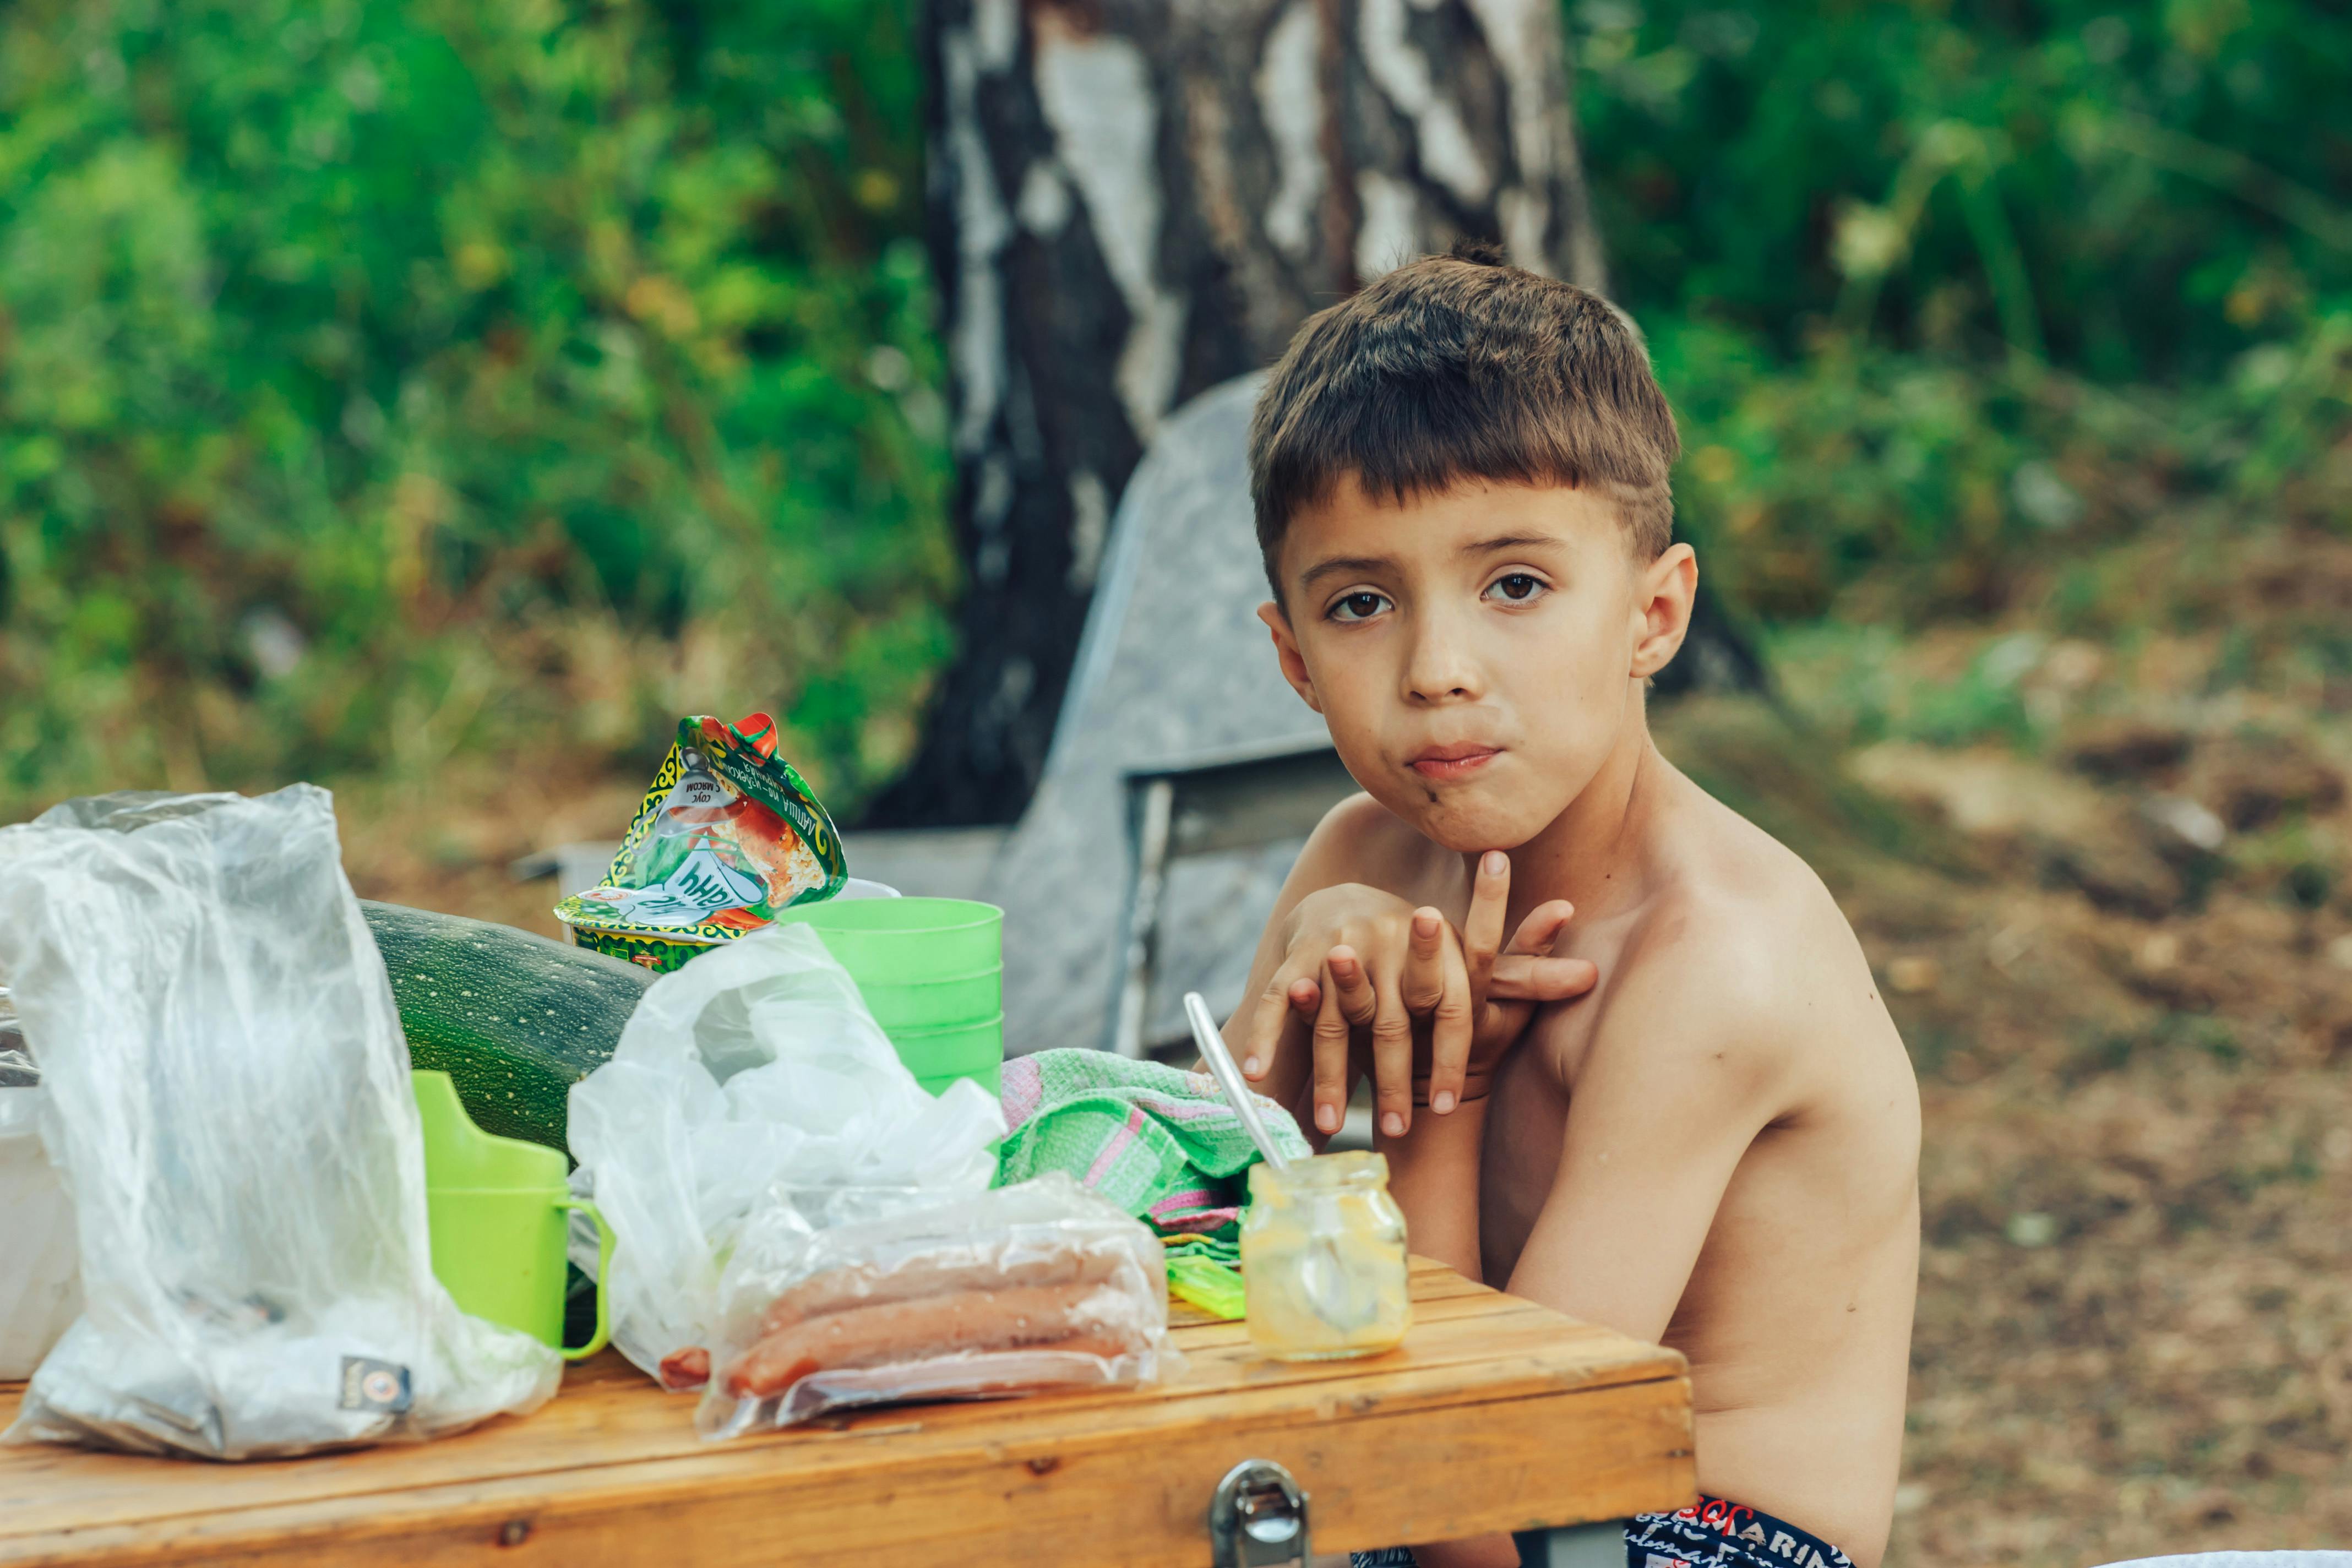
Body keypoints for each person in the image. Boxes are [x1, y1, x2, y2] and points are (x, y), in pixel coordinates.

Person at [1222, 241, 1920, 1568]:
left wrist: (1445, 1094)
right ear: (1295, 658)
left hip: (1690, 1535)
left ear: (1655, 614)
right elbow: (1240, 1267)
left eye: (1517, 585)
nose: (1438, 668)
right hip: (1420, 1469)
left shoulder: (1719, 959)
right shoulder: (1355, 860)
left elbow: (1468, 1499)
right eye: (1362, 603)